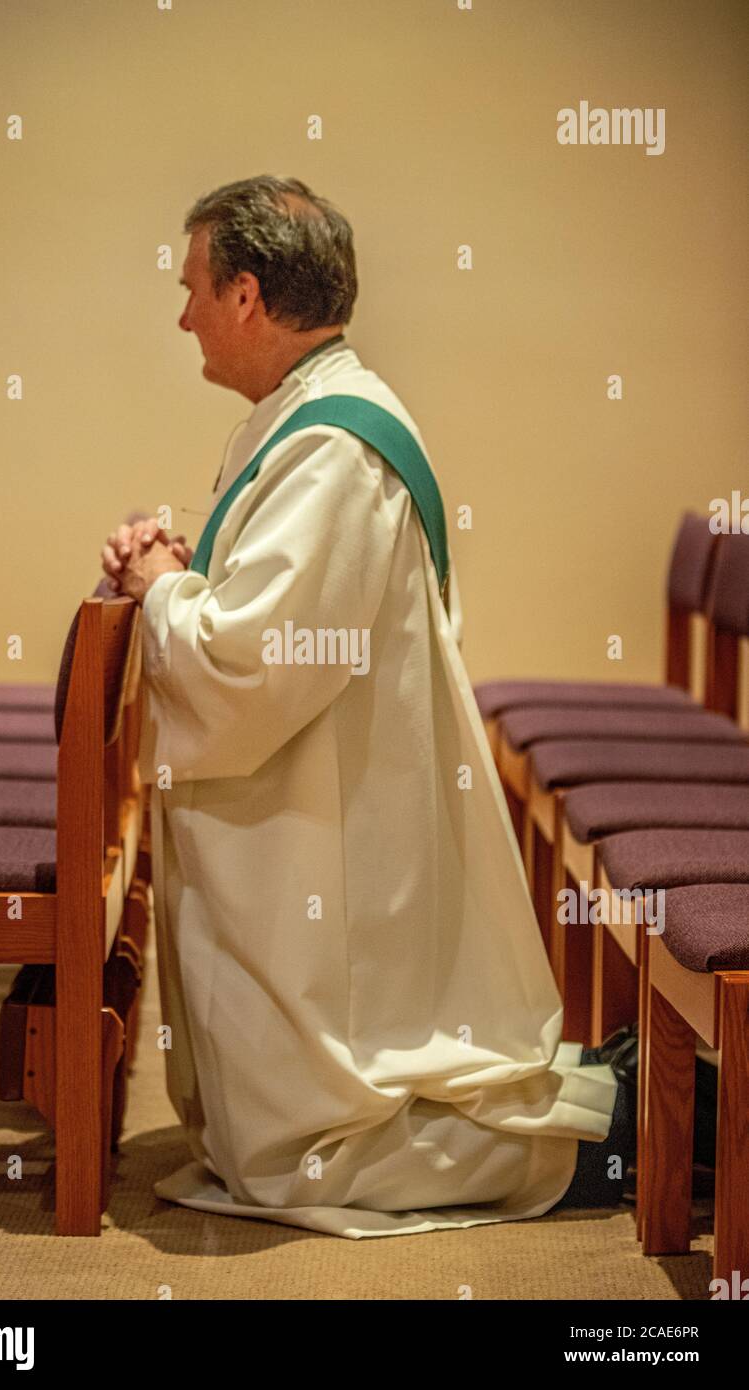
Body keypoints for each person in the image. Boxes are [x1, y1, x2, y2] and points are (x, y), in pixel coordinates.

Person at [100, 175, 620, 1239]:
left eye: (193, 286)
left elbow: (252, 666)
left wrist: (162, 589)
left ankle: (612, 1139)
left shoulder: (333, 443)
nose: (183, 311)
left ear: (246, 295)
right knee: (293, 1121)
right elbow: (271, 612)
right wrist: (180, 570)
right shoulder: (307, 421)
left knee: (315, 1143)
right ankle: (613, 1109)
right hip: (317, 796)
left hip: (320, 830)